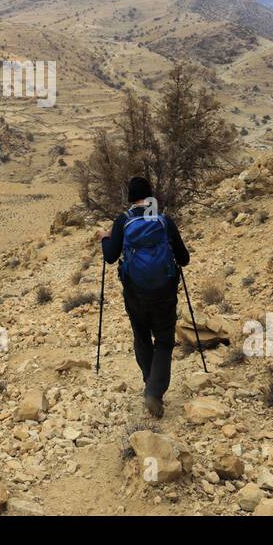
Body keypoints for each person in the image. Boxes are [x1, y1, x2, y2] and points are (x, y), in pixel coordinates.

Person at [95, 176, 189, 419]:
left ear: (130, 198)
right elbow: (184, 258)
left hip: (135, 292)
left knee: (142, 338)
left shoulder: (123, 221)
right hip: (165, 292)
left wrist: (105, 237)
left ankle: (151, 385)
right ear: (151, 197)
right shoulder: (164, 220)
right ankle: (154, 391)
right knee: (165, 341)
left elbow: (110, 257)